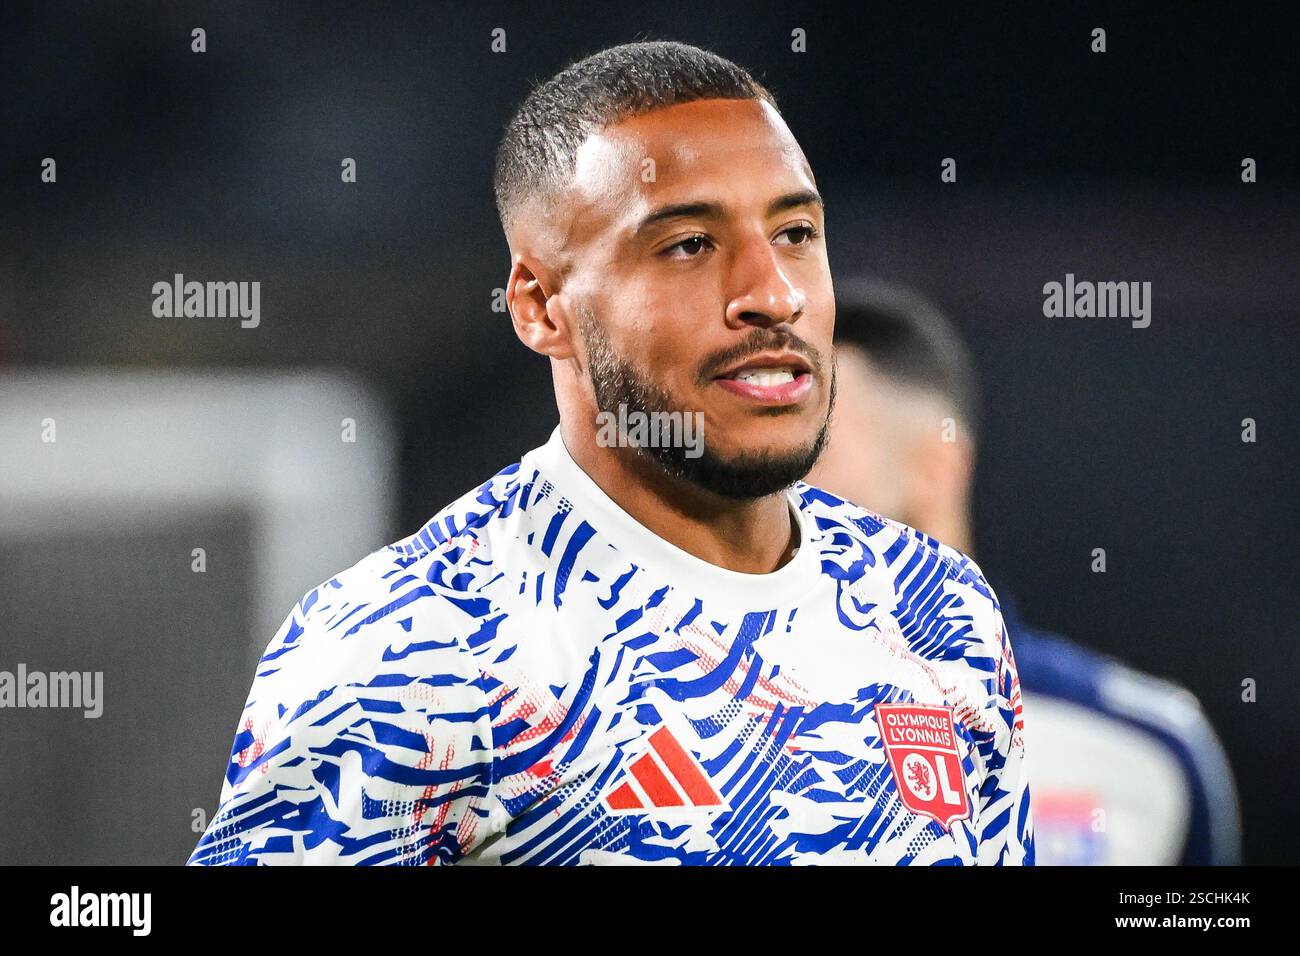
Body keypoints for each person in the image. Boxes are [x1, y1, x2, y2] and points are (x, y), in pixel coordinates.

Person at [189, 42, 1032, 866]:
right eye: (688, 245)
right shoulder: (412, 650)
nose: (771, 294)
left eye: (796, 232)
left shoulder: (941, 612)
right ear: (540, 306)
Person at [809, 279, 1241, 865]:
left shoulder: (1144, 753)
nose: (781, 489)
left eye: (815, 452)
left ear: (934, 468)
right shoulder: (701, 729)